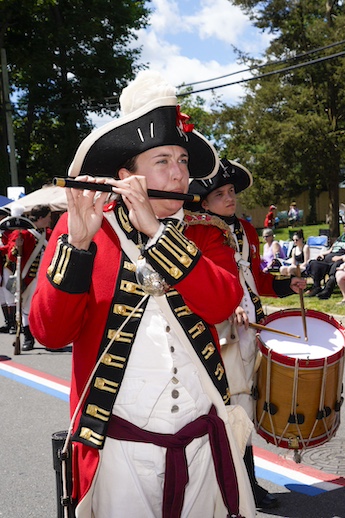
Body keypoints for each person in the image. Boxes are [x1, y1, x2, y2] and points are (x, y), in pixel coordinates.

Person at [29, 71, 256, 517]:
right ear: (125, 176)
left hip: (200, 443)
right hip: (118, 447)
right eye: (163, 162)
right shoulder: (83, 227)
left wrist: (156, 232)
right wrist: (77, 247)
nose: (180, 175)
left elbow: (221, 302)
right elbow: (50, 333)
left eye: (183, 162)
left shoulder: (203, 232)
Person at [187, 158, 307, 511]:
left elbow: (254, 278)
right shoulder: (193, 231)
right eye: (220, 194)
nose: (230, 198)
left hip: (250, 326)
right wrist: (226, 307)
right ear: (203, 202)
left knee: (246, 409)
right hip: (219, 329)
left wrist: (286, 285)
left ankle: (244, 484)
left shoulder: (244, 230)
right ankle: (241, 488)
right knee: (232, 409)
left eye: (231, 192)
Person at [7, 203, 53, 350]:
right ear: (40, 217)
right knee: (26, 307)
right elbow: (11, 256)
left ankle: (48, 340)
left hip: (46, 276)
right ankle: (28, 338)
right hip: (29, 276)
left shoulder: (50, 233)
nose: (50, 219)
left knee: (47, 308)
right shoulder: (24, 233)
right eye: (48, 217)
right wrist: (17, 247)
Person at [305, 219, 345, 298]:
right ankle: (316, 287)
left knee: (335, 266)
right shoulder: (341, 238)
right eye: (344, 226)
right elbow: (330, 250)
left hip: (340, 260)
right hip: (328, 259)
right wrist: (322, 254)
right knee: (314, 263)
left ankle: (327, 290)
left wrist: (340, 257)